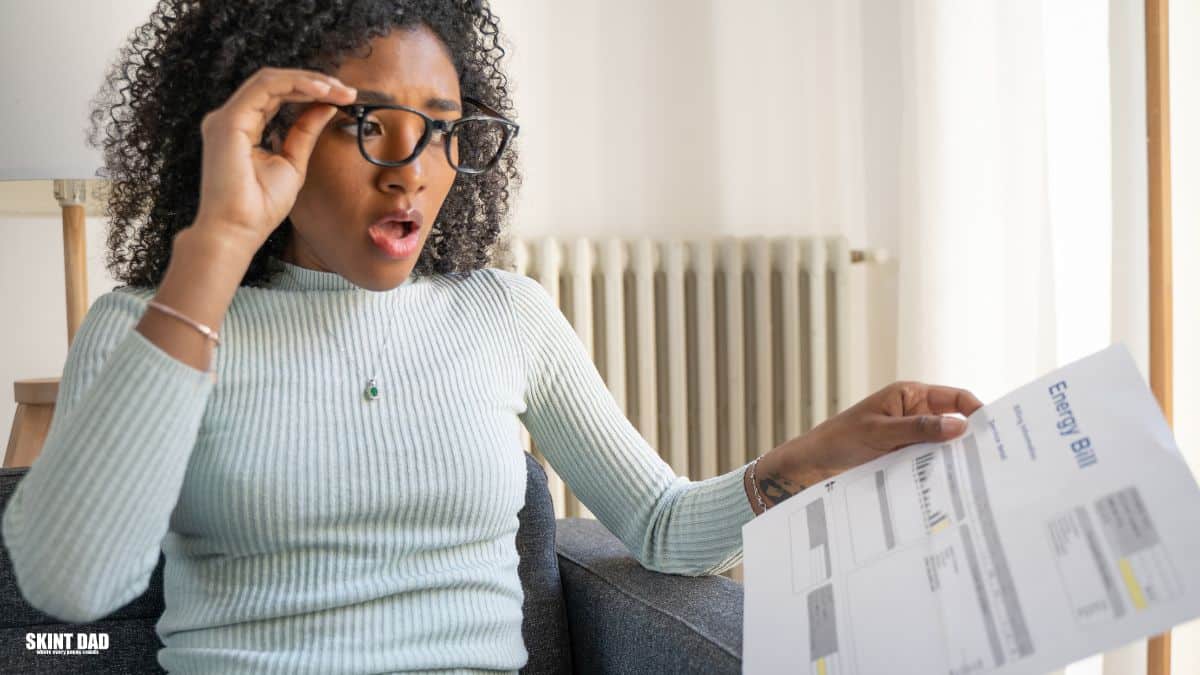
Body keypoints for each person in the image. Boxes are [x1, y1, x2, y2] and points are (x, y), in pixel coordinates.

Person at [0, 1, 983, 672]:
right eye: (373, 123)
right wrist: (215, 245)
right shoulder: (148, 326)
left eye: (444, 126)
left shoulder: (503, 313)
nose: (414, 170)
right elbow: (73, 583)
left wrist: (814, 459)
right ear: (270, 127)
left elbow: (665, 528)